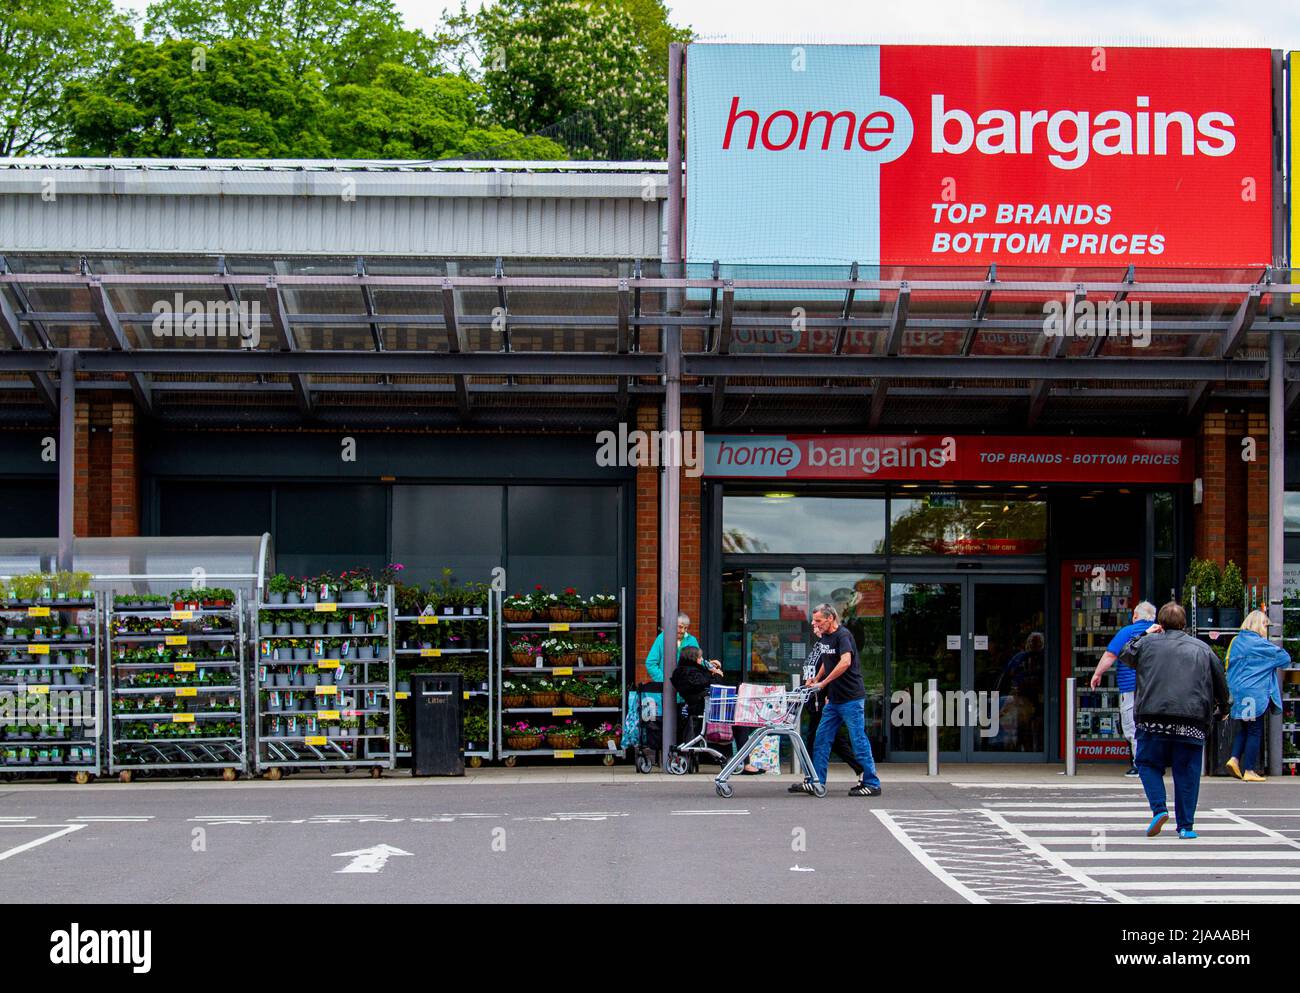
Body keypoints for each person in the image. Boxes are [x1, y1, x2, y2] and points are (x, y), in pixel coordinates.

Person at [1120, 601, 1229, 840]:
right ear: (1184, 624)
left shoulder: (1146, 644)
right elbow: (1219, 677)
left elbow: (1126, 654)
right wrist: (1224, 707)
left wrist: (1144, 633)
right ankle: (1186, 826)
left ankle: (1159, 809)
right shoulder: (1202, 648)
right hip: (1192, 718)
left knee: (1147, 763)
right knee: (1187, 770)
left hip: (1152, 717)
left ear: (1160, 623)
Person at [794, 603, 881, 798]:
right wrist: (816, 679)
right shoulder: (825, 637)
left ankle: (872, 783)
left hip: (851, 698)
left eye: (818, 620)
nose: (815, 624)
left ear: (830, 618)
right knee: (821, 740)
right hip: (834, 701)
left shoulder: (843, 635)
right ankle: (817, 782)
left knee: (858, 740)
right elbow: (827, 660)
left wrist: (823, 683)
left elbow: (845, 662)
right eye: (814, 620)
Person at [1091, 601, 1159, 777]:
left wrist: (1097, 674)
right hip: (1156, 687)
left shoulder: (1127, 632)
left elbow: (1110, 655)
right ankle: (1153, 762)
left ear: (1135, 616)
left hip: (1130, 688)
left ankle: (1140, 765)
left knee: (1132, 727)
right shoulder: (1161, 632)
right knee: (1153, 725)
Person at [1225, 610, 1290, 782]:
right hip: (1254, 695)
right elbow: (1284, 658)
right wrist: (1267, 663)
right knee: (1255, 730)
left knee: (1245, 728)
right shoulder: (1260, 644)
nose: (1266, 630)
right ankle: (1249, 770)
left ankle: (1234, 759)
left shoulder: (1237, 641)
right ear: (1259, 625)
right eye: (1265, 626)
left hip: (1238, 693)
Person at [643, 613, 698, 683]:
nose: (683, 631)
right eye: (680, 627)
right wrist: (664, 681)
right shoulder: (662, 638)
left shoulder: (692, 640)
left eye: (685, 628)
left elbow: (698, 662)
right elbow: (650, 663)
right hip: (666, 688)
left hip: (686, 688)